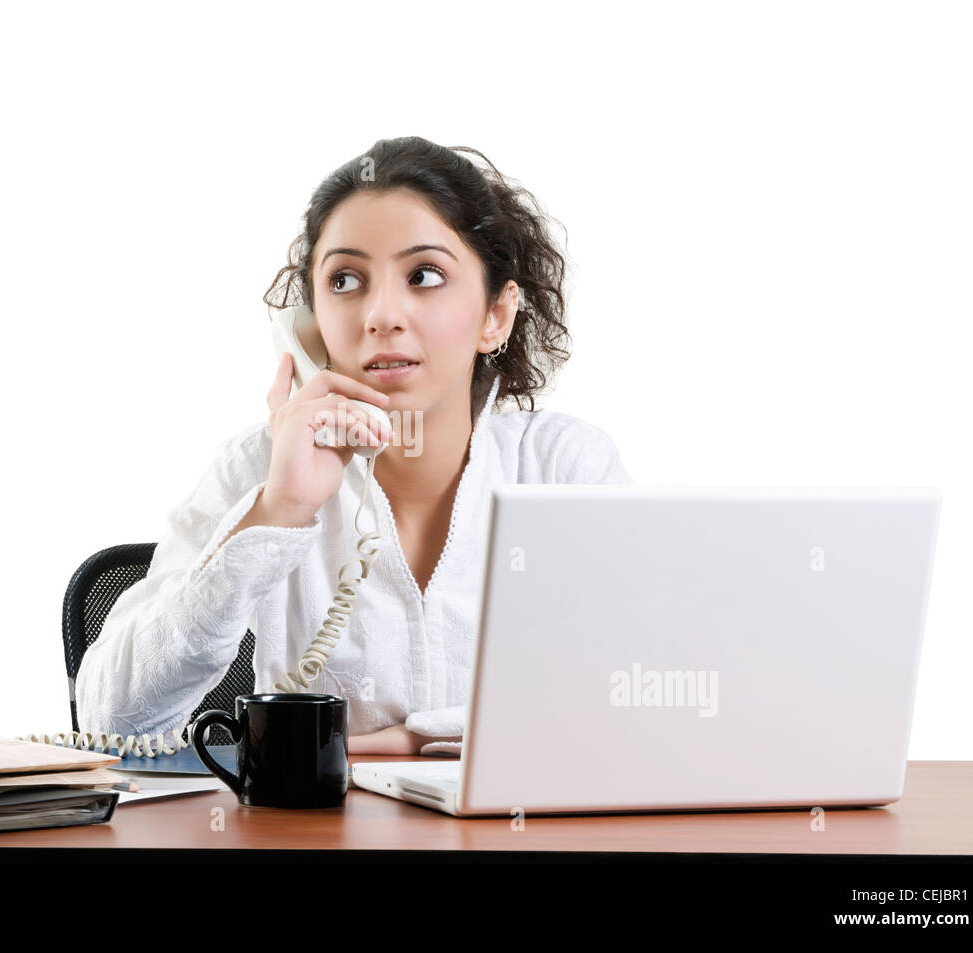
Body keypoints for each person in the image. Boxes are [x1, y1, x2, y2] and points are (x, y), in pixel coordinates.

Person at [75, 136, 633, 756]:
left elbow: (637, 697)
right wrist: (275, 512)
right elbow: (110, 720)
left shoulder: (562, 468)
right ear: (307, 323)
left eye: (424, 276)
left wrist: (404, 740)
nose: (381, 315)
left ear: (495, 317)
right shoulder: (257, 468)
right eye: (345, 280)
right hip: (315, 849)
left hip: (526, 853)